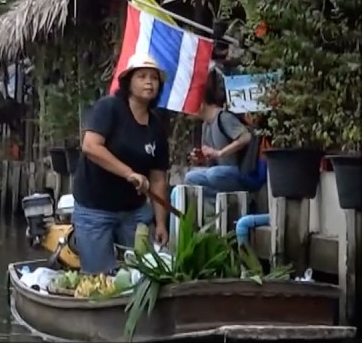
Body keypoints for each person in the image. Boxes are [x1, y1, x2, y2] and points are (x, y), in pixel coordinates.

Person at [72, 53, 171, 275]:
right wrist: (128, 173)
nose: (148, 82)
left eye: (154, 78)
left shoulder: (157, 127)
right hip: (94, 207)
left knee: (143, 273)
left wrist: (161, 223)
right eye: (142, 76)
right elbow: (91, 146)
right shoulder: (109, 108)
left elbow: (158, 179)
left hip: (133, 210)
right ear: (128, 82)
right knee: (100, 277)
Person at [184, 69, 256, 202]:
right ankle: (222, 201)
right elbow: (212, 161)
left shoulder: (223, 117)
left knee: (214, 174)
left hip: (239, 171)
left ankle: (242, 199)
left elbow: (246, 137)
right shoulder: (206, 125)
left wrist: (220, 153)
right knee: (191, 177)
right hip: (220, 173)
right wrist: (202, 158)